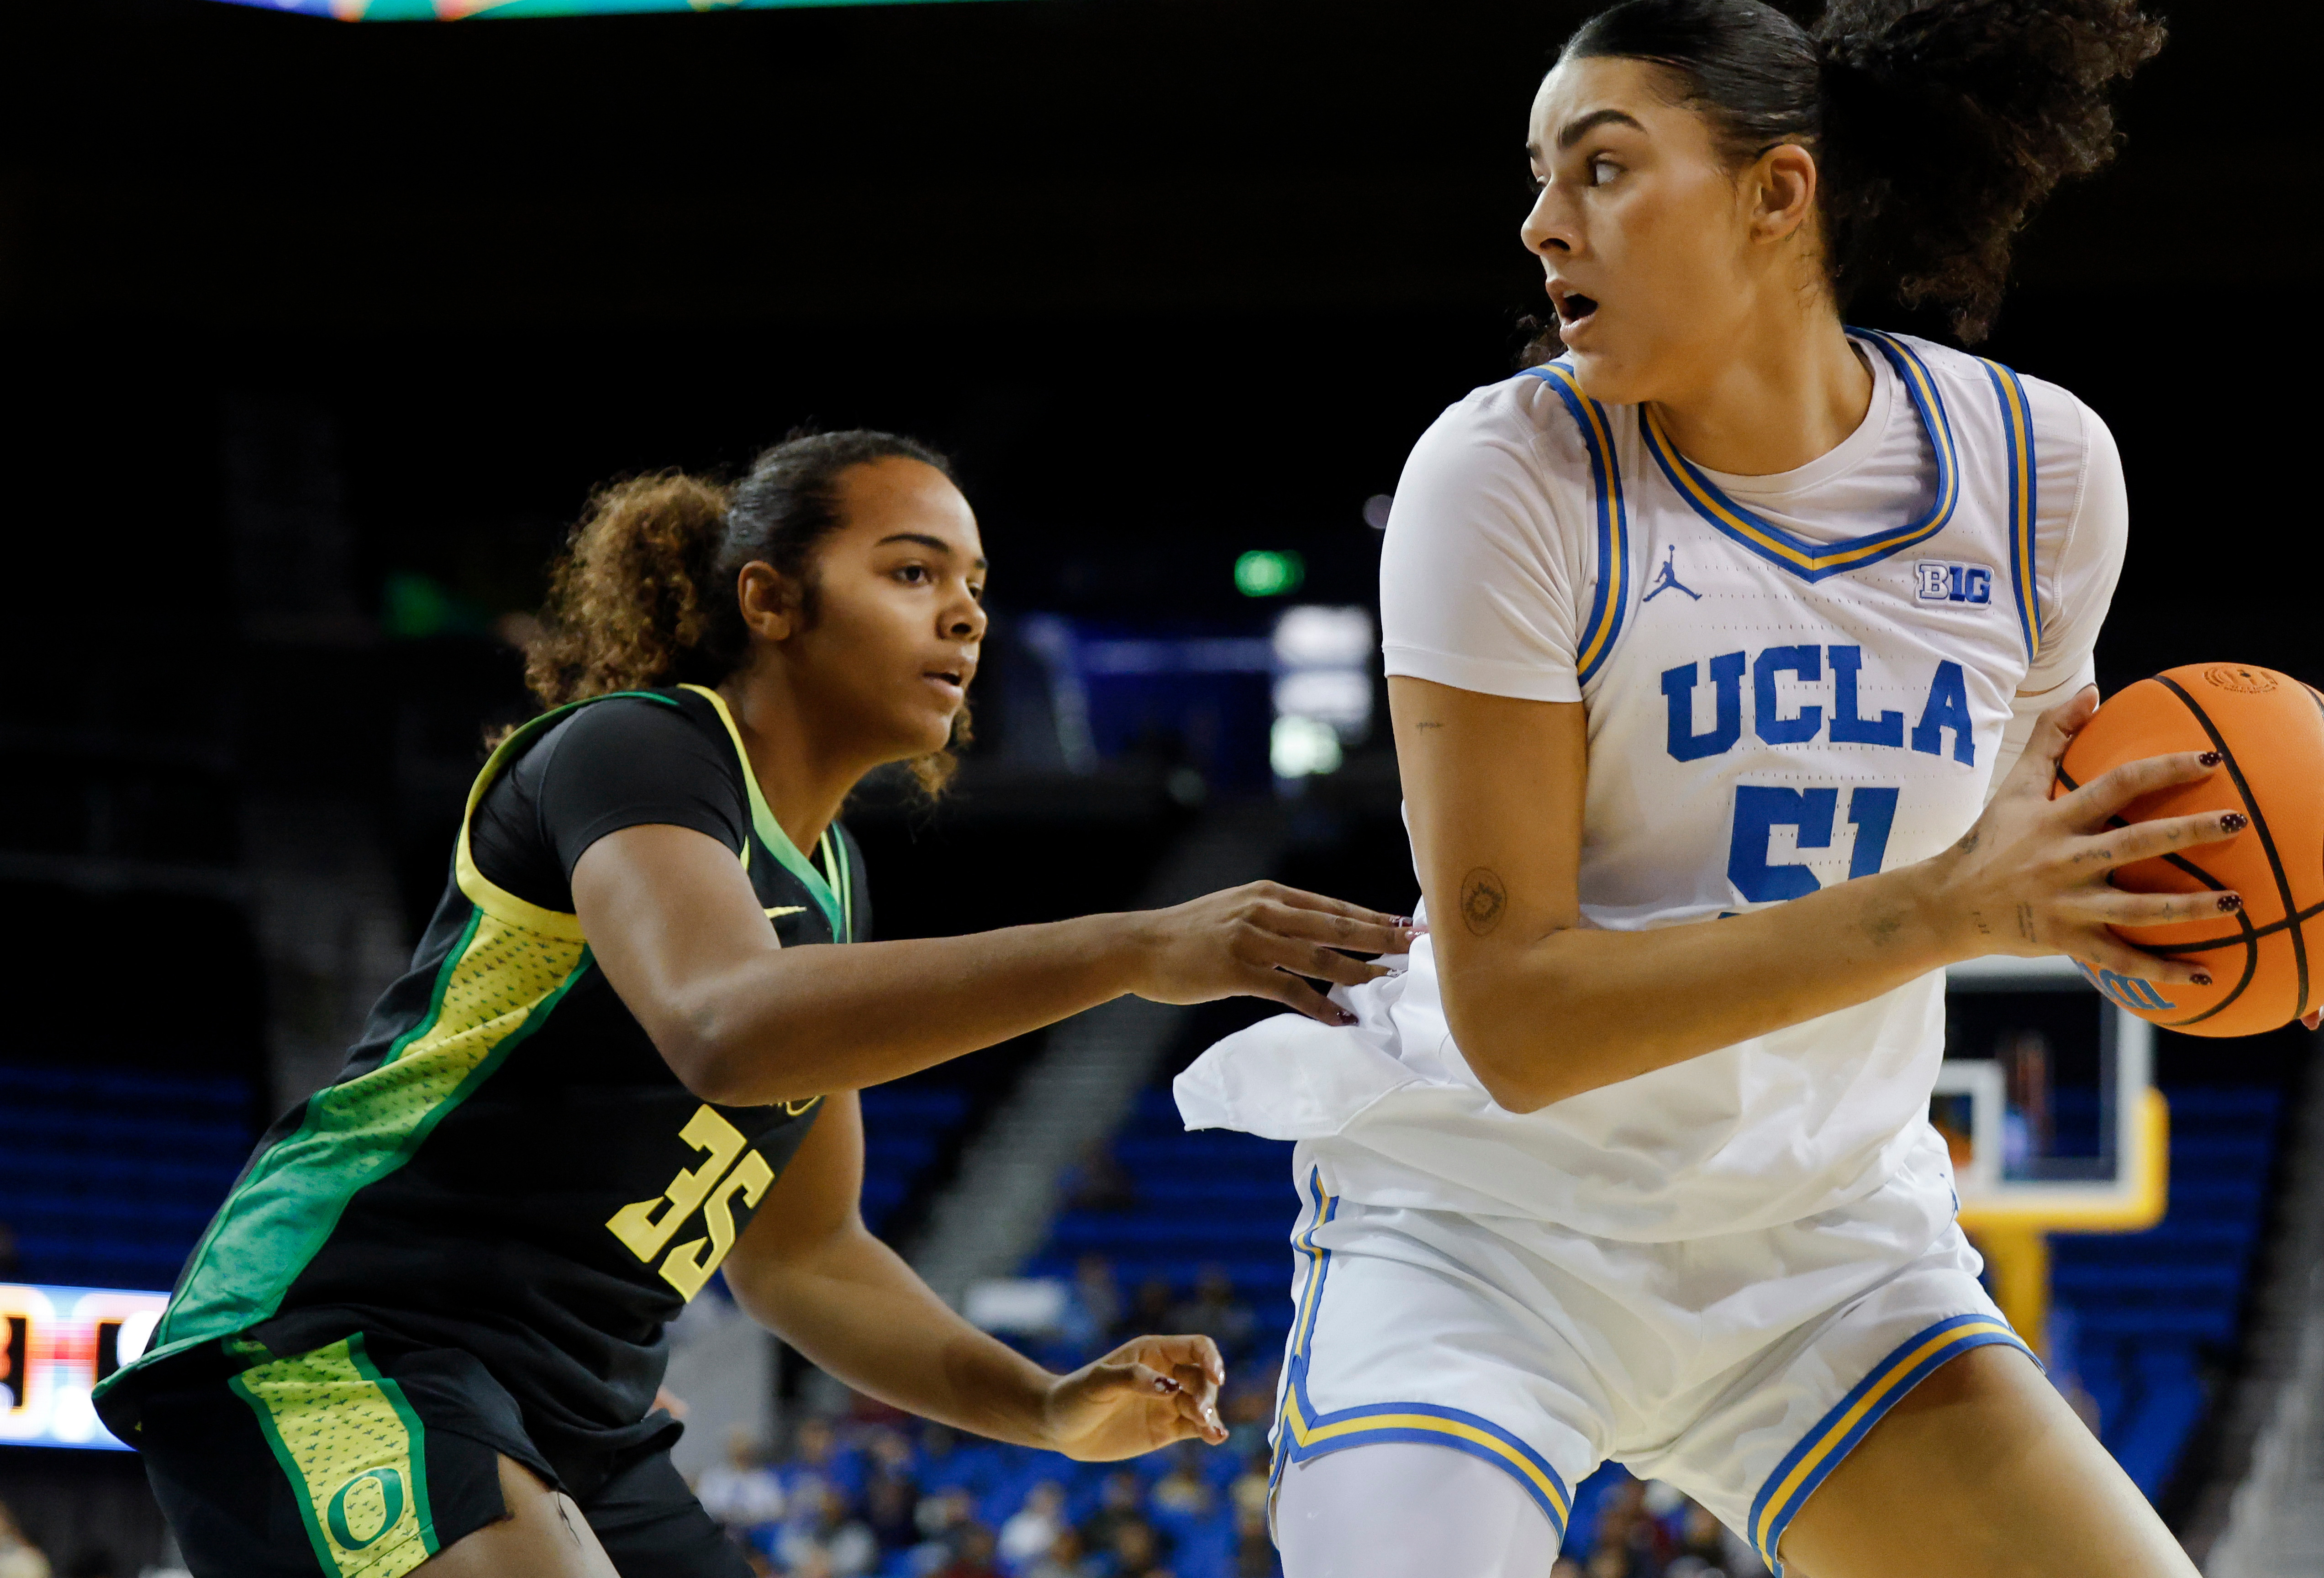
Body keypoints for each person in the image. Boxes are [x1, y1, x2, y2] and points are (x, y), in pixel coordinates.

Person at [1176, 0, 2324, 1578]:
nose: (1542, 225)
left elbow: (2035, 863)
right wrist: (1955, 911)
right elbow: (1523, 1019)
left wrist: (2261, 907)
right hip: (1488, 1234)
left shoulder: (2039, 474)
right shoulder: (1504, 477)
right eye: (1539, 179)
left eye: (1601, 168)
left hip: (1826, 1248)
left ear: (1779, 193)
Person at [92, 430, 1413, 1576]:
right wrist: (1130, 949)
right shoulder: (637, 747)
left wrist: (1045, 1406)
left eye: (975, 586)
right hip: (343, 1342)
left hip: (573, 1413)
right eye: (914, 573)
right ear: (772, 599)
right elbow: (723, 1026)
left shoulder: (830, 884)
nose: (966, 616)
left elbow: (806, 1257)